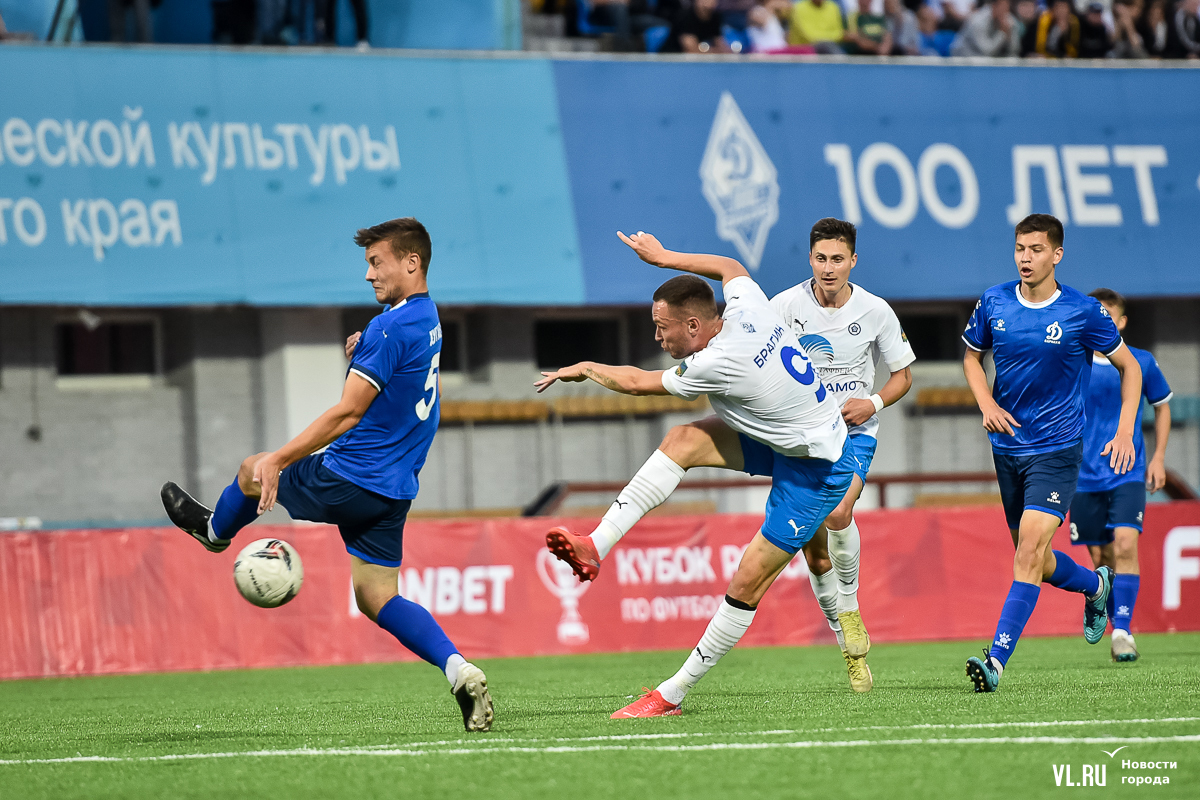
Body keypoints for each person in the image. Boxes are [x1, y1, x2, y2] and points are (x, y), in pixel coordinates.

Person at [160, 218, 493, 732]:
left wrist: (280, 457)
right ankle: (459, 669)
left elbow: (346, 414)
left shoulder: (387, 327)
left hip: (349, 476)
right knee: (377, 597)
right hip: (394, 490)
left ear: (412, 262)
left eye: (376, 261)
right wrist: (365, 356)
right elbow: (412, 391)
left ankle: (213, 533)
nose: (368, 274)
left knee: (253, 470)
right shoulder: (427, 319)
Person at [536, 231, 858, 715]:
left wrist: (584, 366)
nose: (658, 337)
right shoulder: (747, 307)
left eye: (663, 328)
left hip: (819, 468)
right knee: (682, 439)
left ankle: (673, 692)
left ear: (693, 325)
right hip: (790, 438)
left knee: (750, 580)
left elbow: (639, 383)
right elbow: (731, 266)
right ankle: (594, 546)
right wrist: (665, 259)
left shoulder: (717, 361)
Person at [961, 214, 1142, 693]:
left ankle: (995, 661)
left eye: (1036, 249)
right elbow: (971, 357)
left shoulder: (1083, 312)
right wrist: (986, 402)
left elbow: (1131, 369)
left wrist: (1125, 431)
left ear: (1056, 255)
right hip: (1006, 449)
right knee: (1036, 559)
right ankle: (1095, 586)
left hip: (1058, 450)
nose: (1025, 257)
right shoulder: (994, 301)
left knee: (1027, 551)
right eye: (1020, 248)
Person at [768, 219, 916, 689]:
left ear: (853, 261)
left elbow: (903, 376)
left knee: (837, 512)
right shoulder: (784, 307)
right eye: (820, 258)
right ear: (809, 259)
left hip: (854, 432)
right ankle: (848, 645)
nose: (828, 268)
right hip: (800, 437)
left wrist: (871, 402)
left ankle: (849, 607)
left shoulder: (875, 311)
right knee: (814, 557)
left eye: (838, 259)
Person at [1069, 289, 1172, 663]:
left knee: (1126, 545)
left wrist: (1158, 457)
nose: (1102, 320)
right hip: (1082, 477)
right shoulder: (1074, 360)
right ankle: (1111, 617)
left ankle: (1123, 632)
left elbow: (1162, 408)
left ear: (1121, 322)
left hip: (1126, 472)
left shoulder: (1140, 362)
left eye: (1108, 315)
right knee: (1101, 557)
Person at [951, 0, 1021, 56]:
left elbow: (1014, 51)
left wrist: (1009, 35)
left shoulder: (1009, 20)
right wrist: (1002, 33)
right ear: (993, 6)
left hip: (987, 59)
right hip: (964, 57)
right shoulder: (978, 20)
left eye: (1007, 6)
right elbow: (986, 51)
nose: (1005, 10)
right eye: (1003, 6)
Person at [662, 0, 731, 52]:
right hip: (673, 58)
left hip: (698, 60)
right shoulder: (685, 16)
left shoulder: (715, 17)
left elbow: (720, 44)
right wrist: (714, 52)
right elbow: (691, 49)